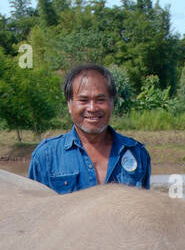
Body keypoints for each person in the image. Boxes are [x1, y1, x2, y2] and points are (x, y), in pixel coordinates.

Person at [28, 63, 151, 193]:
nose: (92, 108)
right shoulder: (46, 156)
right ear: (69, 105)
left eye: (100, 100)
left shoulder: (137, 154)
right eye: (83, 100)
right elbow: (36, 210)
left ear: (112, 103)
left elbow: (143, 209)